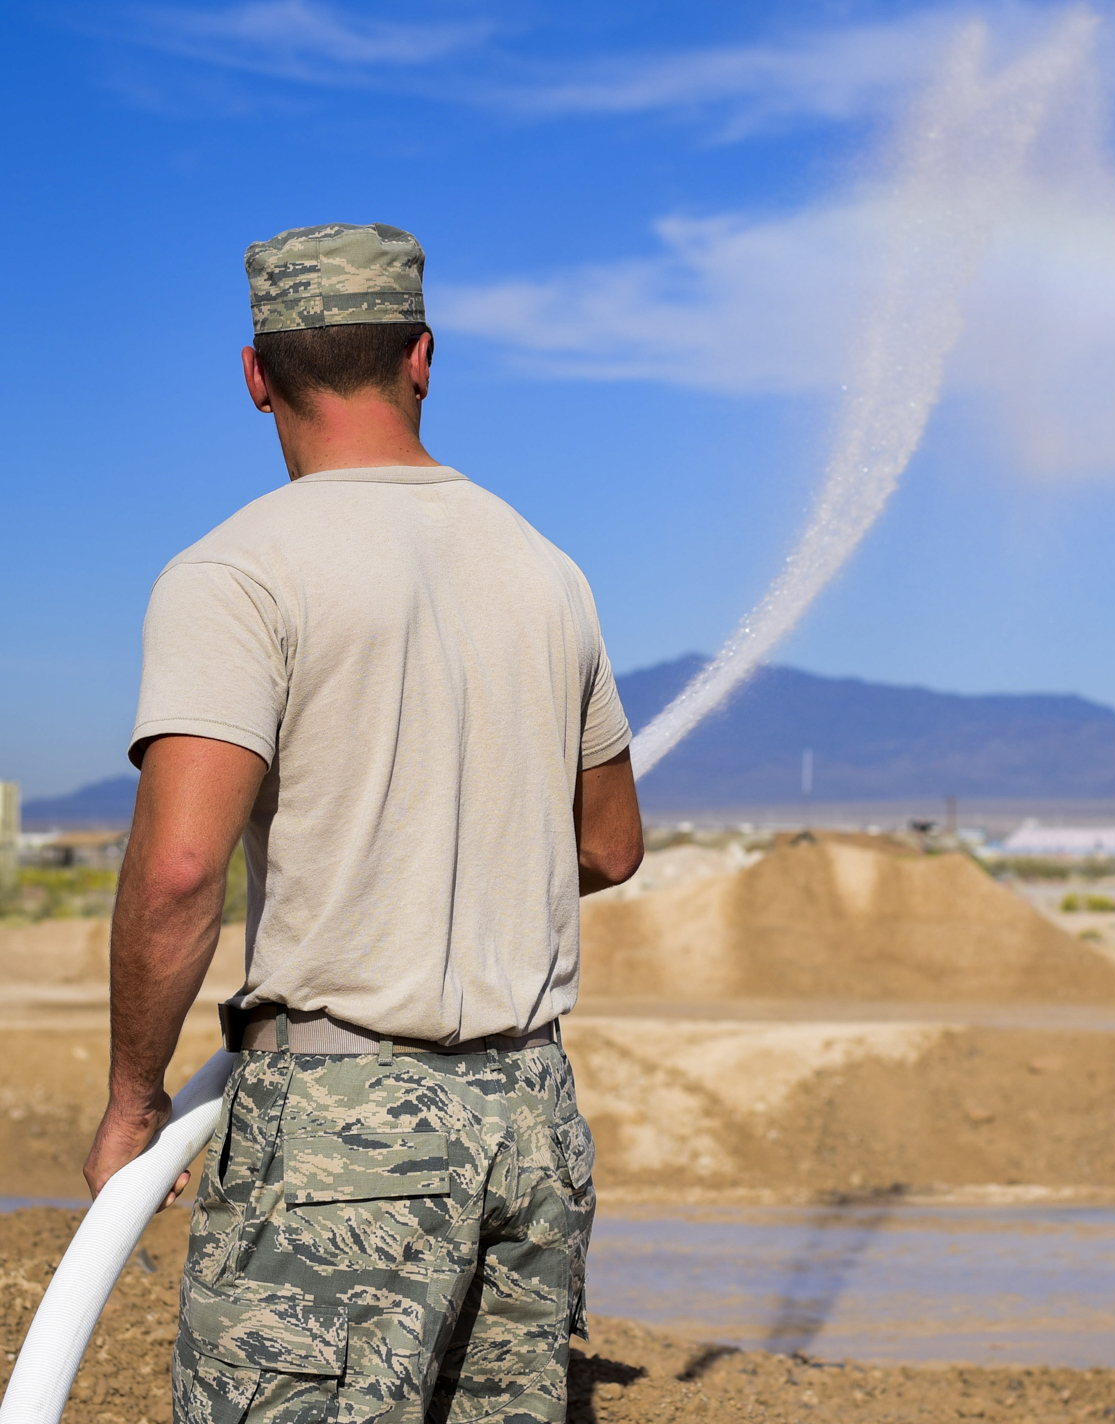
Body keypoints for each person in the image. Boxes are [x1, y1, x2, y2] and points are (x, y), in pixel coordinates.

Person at [81, 221, 644, 1424]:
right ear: (422, 356)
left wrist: (135, 1098)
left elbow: (179, 869)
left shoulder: (238, 573)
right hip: (531, 1121)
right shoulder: (549, 571)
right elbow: (609, 845)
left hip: (340, 1139)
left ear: (256, 374)